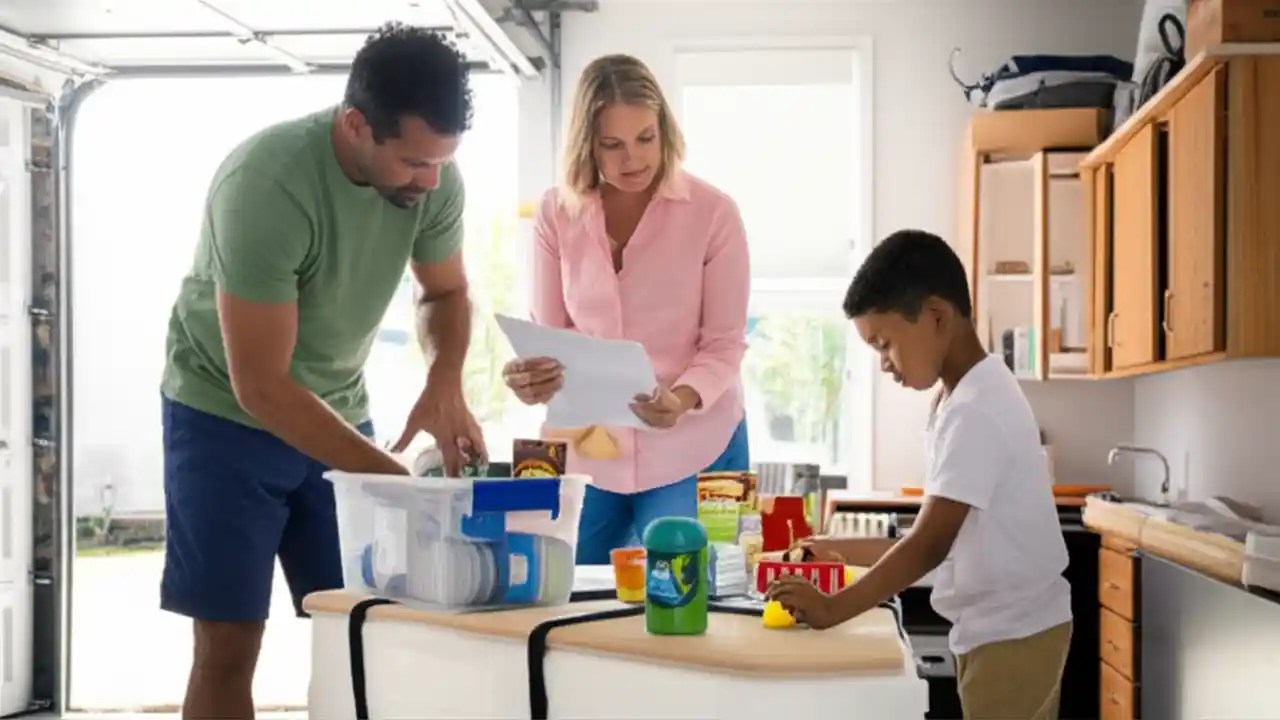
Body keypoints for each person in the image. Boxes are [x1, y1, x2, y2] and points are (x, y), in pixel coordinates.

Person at [158, 24, 485, 719]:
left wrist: (443, 380)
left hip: (335, 405)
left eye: (441, 162)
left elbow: (446, 292)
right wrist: (399, 482)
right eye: (414, 162)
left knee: (365, 629)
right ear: (357, 124)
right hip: (224, 416)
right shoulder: (265, 185)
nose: (430, 181)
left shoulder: (434, 179)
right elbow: (262, 386)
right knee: (228, 644)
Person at [769, 230, 1072, 720]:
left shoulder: (975, 409)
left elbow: (930, 546)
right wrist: (838, 548)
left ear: (936, 317)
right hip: (1004, 629)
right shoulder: (959, 397)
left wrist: (832, 608)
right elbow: (940, 537)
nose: (883, 364)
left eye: (884, 343)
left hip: (1013, 634)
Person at [503, 54, 751, 564]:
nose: (633, 159)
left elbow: (724, 345)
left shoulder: (714, 214)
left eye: (645, 138)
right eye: (611, 144)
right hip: (591, 452)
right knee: (561, 587)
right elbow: (549, 335)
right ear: (587, 145)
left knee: (689, 588)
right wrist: (531, 378)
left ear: (664, 131)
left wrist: (680, 399)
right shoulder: (555, 213)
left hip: (696, 442)